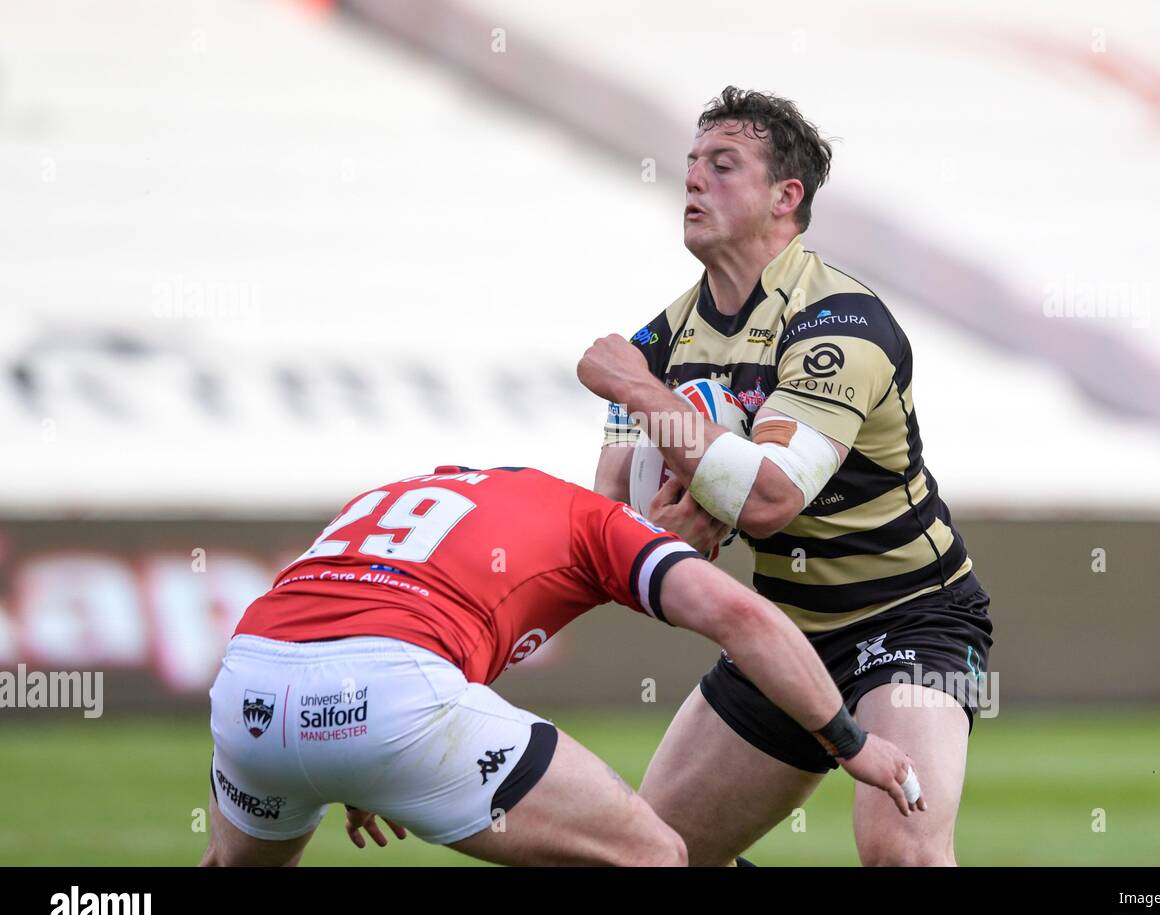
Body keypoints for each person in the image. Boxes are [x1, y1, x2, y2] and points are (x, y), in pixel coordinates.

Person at [581, 86, 993, 866]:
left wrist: (637, 391)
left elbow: (769, 497)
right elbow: (608, 515)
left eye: (722, 165)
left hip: (915, 619)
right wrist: (656, 540)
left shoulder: (841, 323)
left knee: (900, 851)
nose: (693, 180)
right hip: (785, 631)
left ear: (785, 196)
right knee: (653, 856)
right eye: (692, 163)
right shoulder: (665, 335)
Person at [199, 465, 924, 867]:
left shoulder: (420, 492)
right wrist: (849, 742)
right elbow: (745, 617)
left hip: (249, 691)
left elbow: (354, 621)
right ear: (655, 501)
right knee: (653, 857)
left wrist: (348, 758)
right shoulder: (602, 523)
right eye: (705, 511)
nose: (714, 531)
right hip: (390, 691)